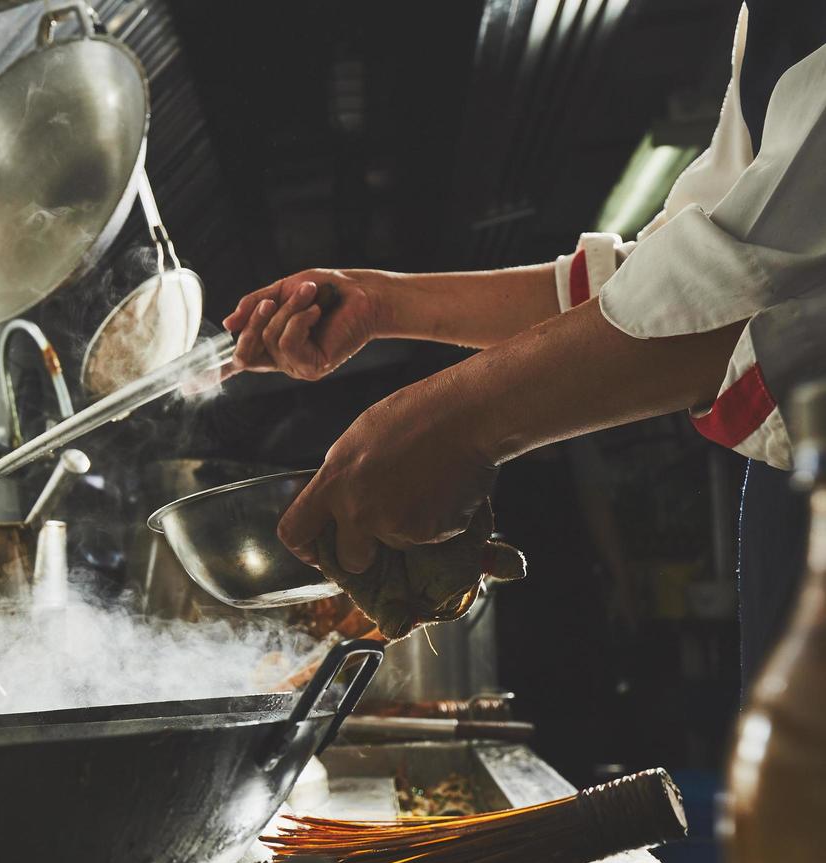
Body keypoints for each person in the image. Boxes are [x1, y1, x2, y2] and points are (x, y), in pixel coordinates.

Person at [222, 2, 826, 677]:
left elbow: (740, 300)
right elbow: (671, 281)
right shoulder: (772, 21)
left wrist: (455, 423)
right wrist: (382, 302)